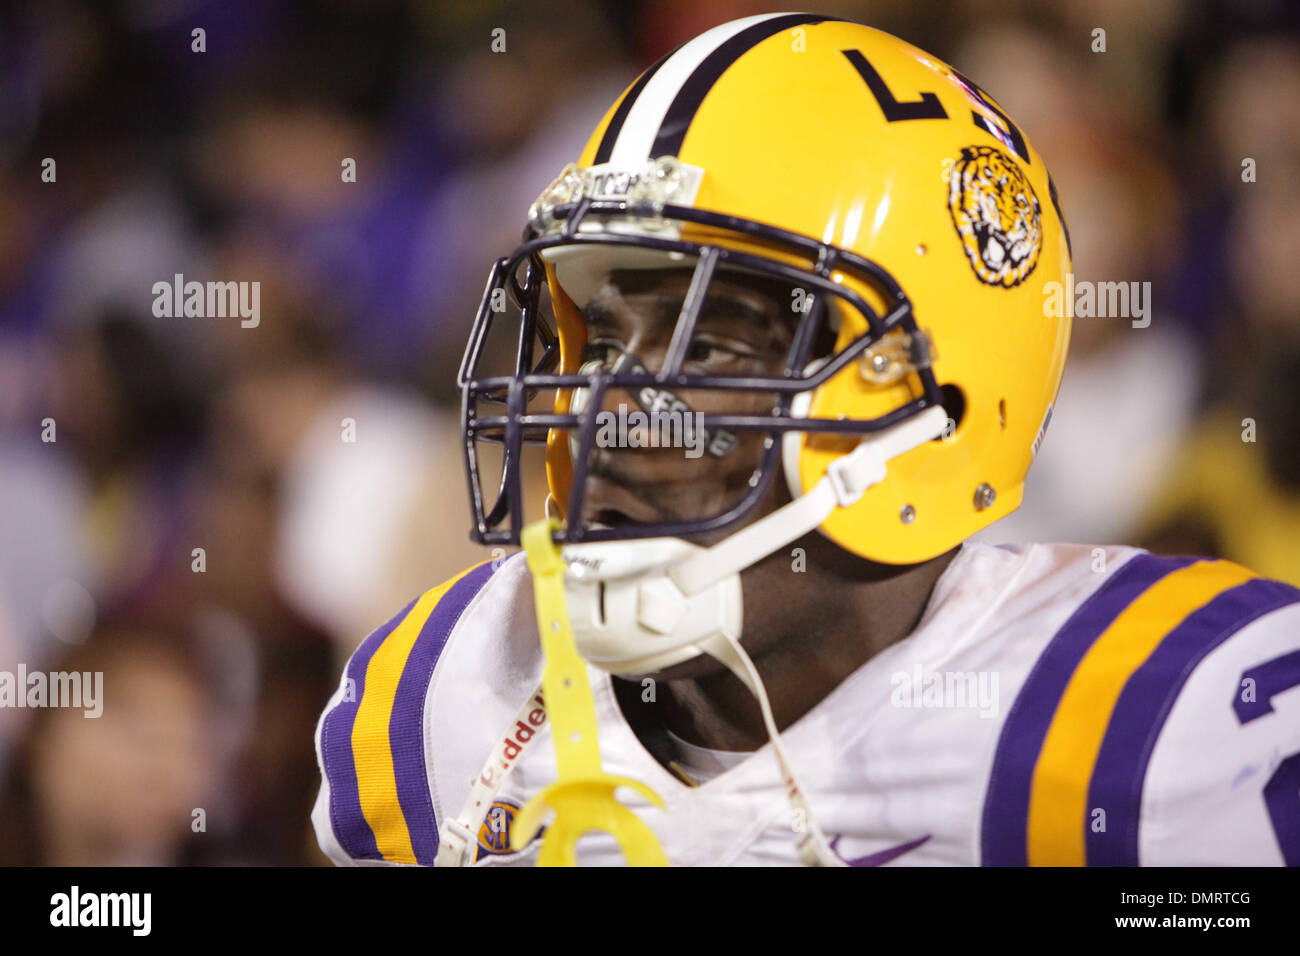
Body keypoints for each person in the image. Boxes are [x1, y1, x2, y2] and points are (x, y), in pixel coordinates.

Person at [313, 14, 1300, 866]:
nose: (608, 407)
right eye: (604, 338)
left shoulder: (1151, 730)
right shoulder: (447, 703)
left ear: (935, 408)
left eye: (707, 345)